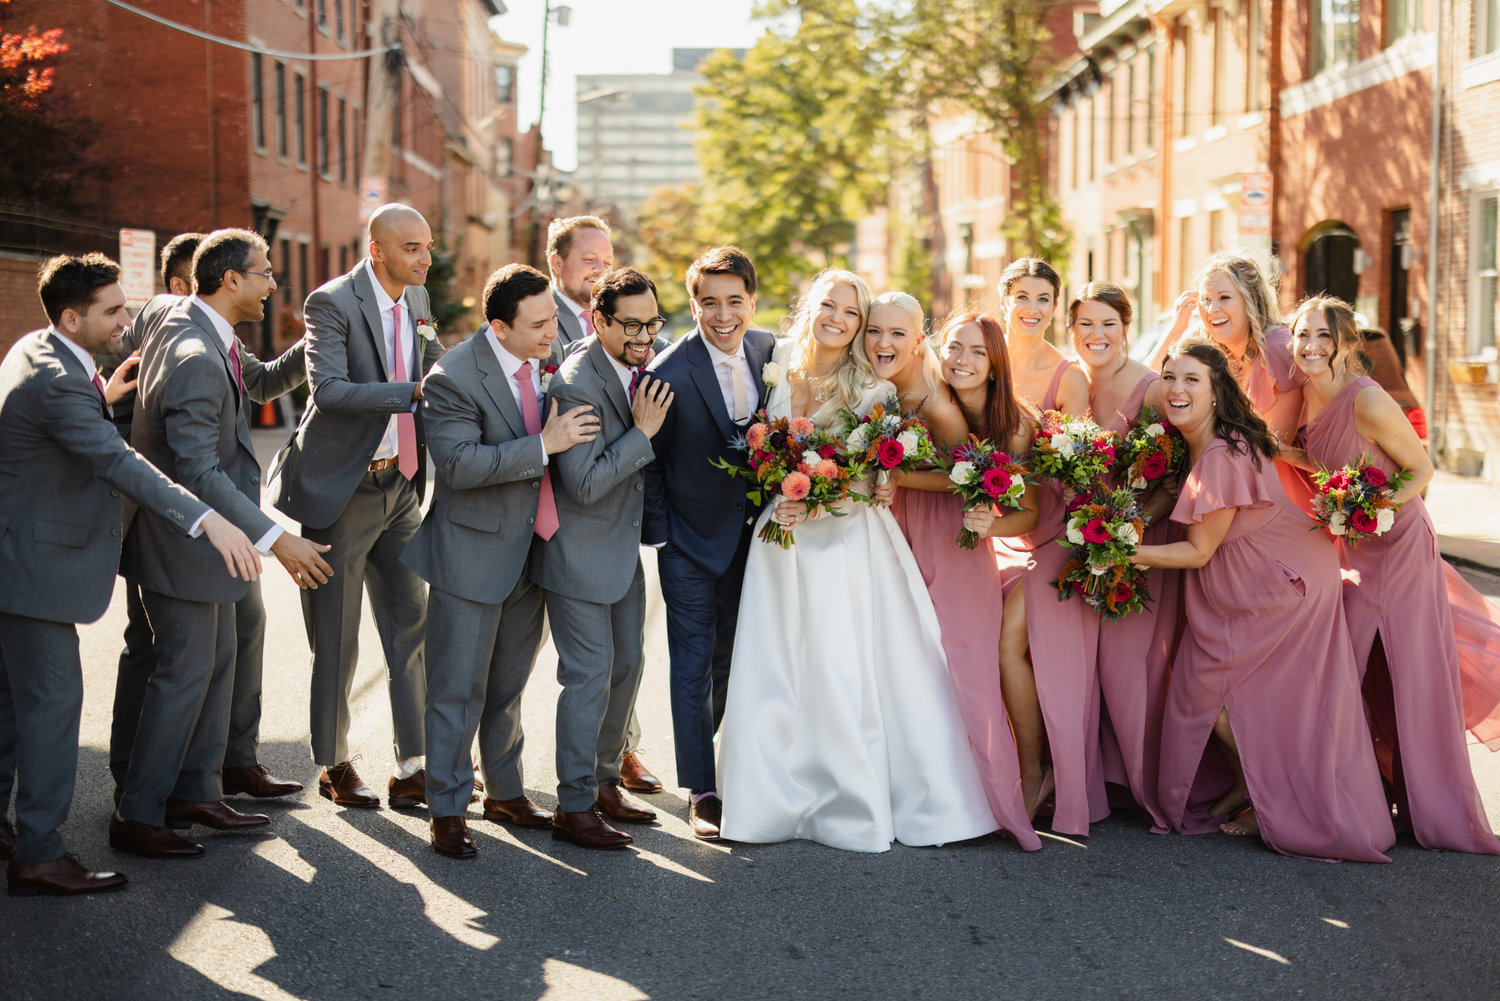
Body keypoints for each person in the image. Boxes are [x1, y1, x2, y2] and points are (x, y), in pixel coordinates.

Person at [0, 254, 260, 895]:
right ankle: (38, 853)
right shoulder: (61, 379)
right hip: (34, 568)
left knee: (10, 705)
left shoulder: (38, 349)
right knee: (52, 709)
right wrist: (208, 521)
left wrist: (104, 393)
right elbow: (120, 462)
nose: (129, 319)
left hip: (17, 557)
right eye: (113, 311)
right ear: (71, 316)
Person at [717, 269, 996, 853]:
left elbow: (881, 470)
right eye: (830, 306)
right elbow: (762, 449)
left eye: (852, 313)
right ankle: (770, 796)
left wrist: (861, 486)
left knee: (845, 663)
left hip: (848, 537)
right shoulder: (775, 359)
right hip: (785, 533)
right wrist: (781, 495)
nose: (839, 320)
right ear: (809, 306)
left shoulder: (874, 387)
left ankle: (854, 798)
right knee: (778, 664)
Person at [1133, 338, 1394, 862]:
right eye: (1169, 378)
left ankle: (1269, 796)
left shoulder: (1222, 452)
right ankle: (1254, 786)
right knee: (1211, 691)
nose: (1176, 389)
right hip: (1255, 576)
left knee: (1227, 694)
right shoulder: (1203, 441)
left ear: (1215, 392)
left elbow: (1198, 551)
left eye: (1191, 380)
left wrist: (1121, 552)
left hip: (1280, 583)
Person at [116, 229, 331, 859]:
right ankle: (138, 814)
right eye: (266, 272)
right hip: (184, 538)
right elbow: (198, 470)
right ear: (230, 279)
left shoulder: (184, 315)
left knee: (211, 665)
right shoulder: (196, 356)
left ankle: (195, 791)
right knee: (182, 674)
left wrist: (313, 344)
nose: (273, 282)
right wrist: (277, 539)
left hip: (209, 538)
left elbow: (253, 383)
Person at [1287, 295, 1500, 854]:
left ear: (1345, 344)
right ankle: (1367, 790)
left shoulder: (1368, 399)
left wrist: (1372, 510)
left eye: (1322, 337)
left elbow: (1420, 468)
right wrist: (1282, 452)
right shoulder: (1309, 391)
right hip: (1356, 545)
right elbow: (1329, 460)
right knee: (1357, 661)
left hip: (1398, 543)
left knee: (1408, 666)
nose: (1309, 346)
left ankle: (1435, 804)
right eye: (1301, 335)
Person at [403, 264, 601, 858]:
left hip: (536, 550)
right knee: (455, 688)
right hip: (472, 551)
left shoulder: (551, 354)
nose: (553, 332)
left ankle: (506, 791)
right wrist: (546, 445)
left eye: (552, 320)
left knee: (508, 684)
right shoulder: (453, 377)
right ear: (498, 326)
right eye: (539, 324)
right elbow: (460, 466)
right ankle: (446, 809)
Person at [269, 203, 443, 809]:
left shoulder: (418, 301)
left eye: (428, 246)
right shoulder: (332, 303)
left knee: (411, 624)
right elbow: (331, 389)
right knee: (336, 636)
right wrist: (415, 392)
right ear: (378, 251)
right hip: (341, 489)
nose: (426, 258)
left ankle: (415, 762)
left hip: (400, 486)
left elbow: (436, 362)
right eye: (413, 248)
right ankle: (334, 761)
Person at [881, 305, 1043, 849]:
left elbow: (1028, 515)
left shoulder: (1014, 426)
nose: (963, 359)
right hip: (907, 531)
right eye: (955, 347)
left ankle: (1013, 791)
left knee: (973, 669)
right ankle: (929, 792)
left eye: (977, 351)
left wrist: (989, 522)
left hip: (971, 546)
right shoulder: (924, 394)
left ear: (996, 364)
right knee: (914, 663)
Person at [534, 266, 675, 850]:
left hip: (622, 548)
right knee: (589, 677)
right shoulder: (576, 382)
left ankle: (604, 782)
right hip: (578, 554)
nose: (646, 337)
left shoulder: (645, 361)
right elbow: (585, 484)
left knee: (626, 669)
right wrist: (642, 434)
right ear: (597, 320)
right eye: (632, 326)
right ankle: (573, 806)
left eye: (653, 323)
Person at [641, 247, 774, 840]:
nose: (723, 316)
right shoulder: (666, 374)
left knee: (738, 660)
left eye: (734, 302)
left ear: (752, 302)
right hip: (691, 547)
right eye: (709, 303)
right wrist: (667, 539)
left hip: (762, 543)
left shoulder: (770, 354)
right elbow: (650, 465)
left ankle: (743, 765)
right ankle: (703, 788)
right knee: (693, 667)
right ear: (693, 304)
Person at [991, 258, 1107, 834]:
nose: (1032, 309)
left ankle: (1036, 771)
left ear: (1056, 308)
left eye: (1043, 298)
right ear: (1003, 299)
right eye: (1022, 296)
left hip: (1056, 531)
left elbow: (1082, 469)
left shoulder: (1069, 376)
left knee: (1008, 641)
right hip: (998, 528)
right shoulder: (983, 361)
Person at [1067, 282, 1174, 832]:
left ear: (1126, 327)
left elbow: (1173, 481)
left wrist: (1129, 533)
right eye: (1085, 324)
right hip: (1080, 542)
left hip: (1138, 543)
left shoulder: (1151, 389)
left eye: (1107, 323)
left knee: (1129, 667)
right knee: (1088, 665)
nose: (1096, 335)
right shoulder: (1070, 383)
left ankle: (1151, 786)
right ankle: (1108, 782)